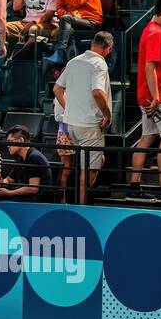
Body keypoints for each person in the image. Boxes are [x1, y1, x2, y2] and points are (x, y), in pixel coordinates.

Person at [129, 0, 161, 200]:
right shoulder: (156, 33)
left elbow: (155, 63)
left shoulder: (153, 31)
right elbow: (150, 66)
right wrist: (157, 96)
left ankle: (134, 187)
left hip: (152, 96)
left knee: (147, 138)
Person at [54, 30, 114, 202]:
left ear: (92, 44)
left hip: (70, 125)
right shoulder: (99, 64)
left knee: (96, 161)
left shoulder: (74, 61)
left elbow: (57, 89)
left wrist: (69, 108)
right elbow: (97, 92)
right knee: (88, 171)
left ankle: (76, 203)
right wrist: (107, 115)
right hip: (89, 125)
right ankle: (82, 209)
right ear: (108, 48)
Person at [46, 0, 103, 67]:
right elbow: (59, 8)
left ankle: (59, 53)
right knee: (68, 29)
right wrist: (69, 12)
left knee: (66, 19)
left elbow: (78, 1)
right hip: (74, 21)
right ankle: (69, 65)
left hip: (91, 21)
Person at [0, 126, 51, 201]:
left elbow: (33, 189)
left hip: (36, 200)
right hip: (25, 197)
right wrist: (1, 182)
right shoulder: (21, 158)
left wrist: (9, 193)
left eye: (10, 141)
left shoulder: (34, 157)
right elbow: (10, 179)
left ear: (20, 140)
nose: (8, 145)